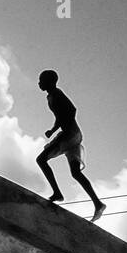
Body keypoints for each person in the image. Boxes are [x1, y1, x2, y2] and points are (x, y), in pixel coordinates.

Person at [36, 69, 107, 221]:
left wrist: (61, 129)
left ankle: (57, 193)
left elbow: (71, 110)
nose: (39, 83)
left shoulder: (56, 94)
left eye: (41, 80)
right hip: (72, 134)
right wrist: (53, 129)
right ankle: (98, 204)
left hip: (70, 134)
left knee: (41, 160)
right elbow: (60, 116)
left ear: (49, 82)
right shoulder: (51, 96)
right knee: (75, 172)